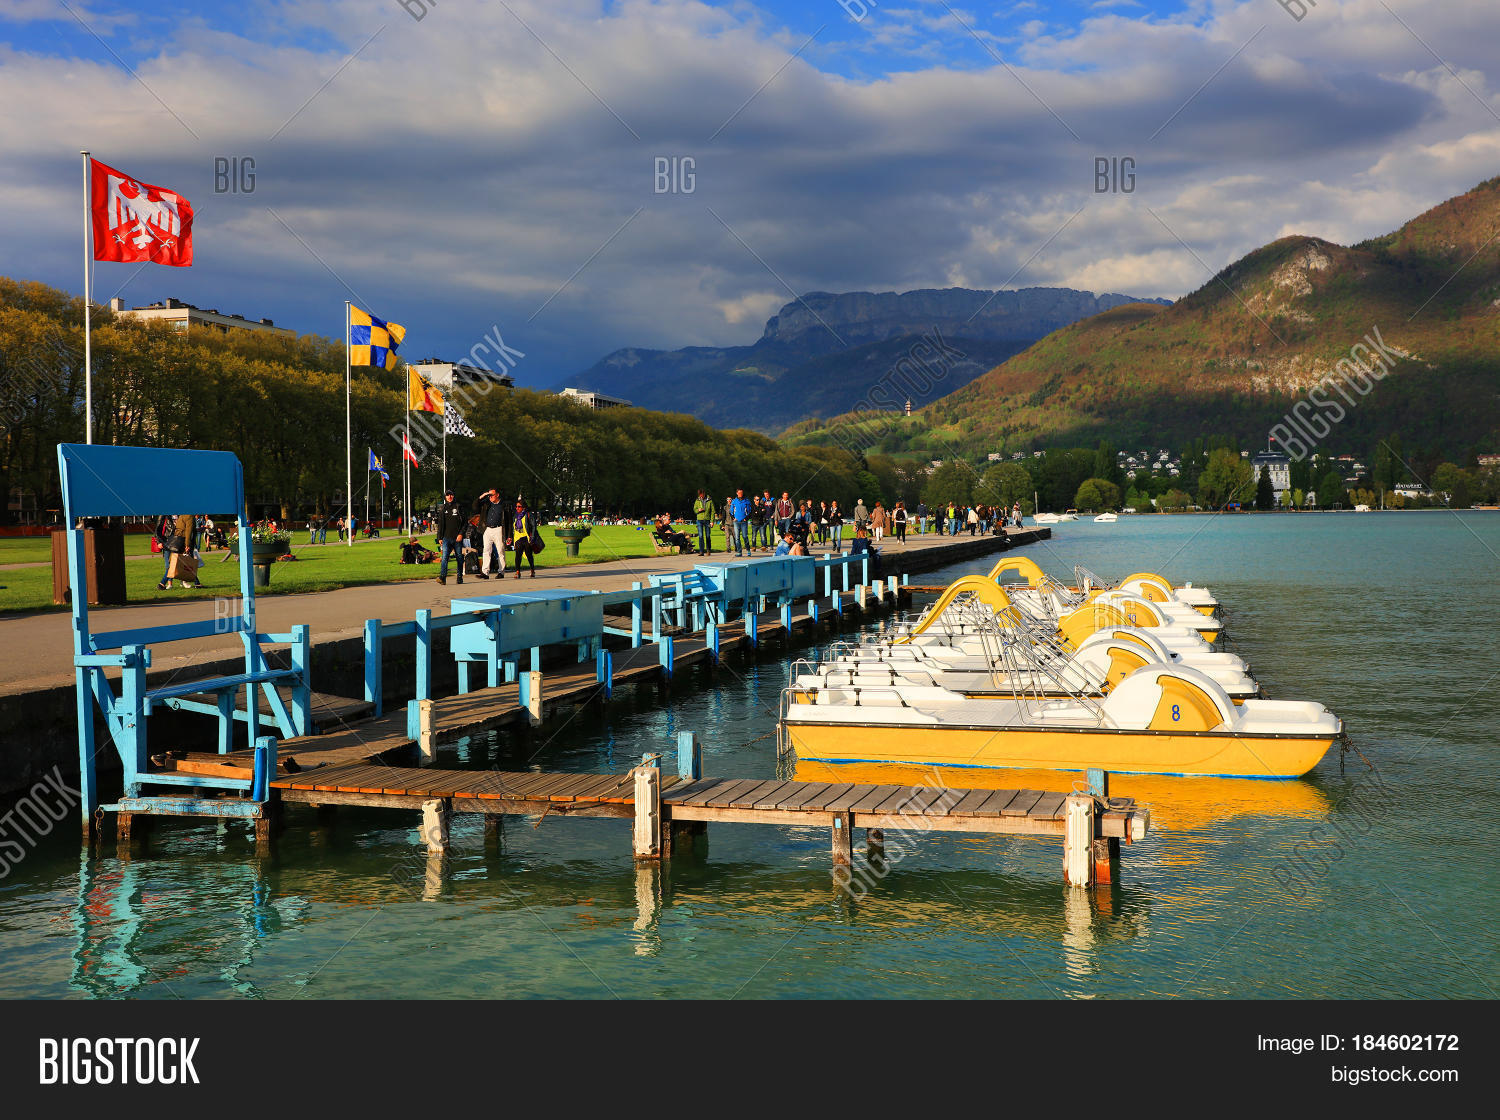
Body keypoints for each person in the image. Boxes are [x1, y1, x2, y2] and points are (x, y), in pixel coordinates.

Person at [472, 487, 511, 579]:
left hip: (499, 529)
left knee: (500, 551)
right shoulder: (486, 504)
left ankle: (501, 572)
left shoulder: (504, 505)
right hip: (487, 529)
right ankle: (485, 572)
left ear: (497, 495)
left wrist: (509, 535)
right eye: (489, 495)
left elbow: (509, 521)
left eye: (492, 495)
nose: (490, 497)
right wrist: (482, 496)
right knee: (486, 551)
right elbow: (474, 506)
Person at [434, 488, 467, 586]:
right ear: (445, 497)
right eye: (447, 495)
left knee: (459, 557)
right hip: (446, 538)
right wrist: (439, 537)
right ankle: (442, 577)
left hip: (457, 538)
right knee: (444, 558)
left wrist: (461, 534)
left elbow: (465, 522)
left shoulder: (458, 507)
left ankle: (459, 576)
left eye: (451, 495)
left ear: (453, 496)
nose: (449, 497)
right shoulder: (443, 509)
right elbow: (441, 524)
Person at [512, 497, 540, 577]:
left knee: (529, 554)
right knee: (518, 555)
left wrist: (533, 537)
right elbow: (513, 526)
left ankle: (532, 570)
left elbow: (534, 526)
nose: (517, 508)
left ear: (523, 507)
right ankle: (517, 571)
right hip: (518, 537)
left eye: (519, 506)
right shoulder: (515, 515)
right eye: (516, 506)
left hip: (527, 537)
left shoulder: (528, 515)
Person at [729, 488, 752, 557]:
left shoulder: (747, 501)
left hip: (744, 522)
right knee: (737, 538)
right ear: (737, 493)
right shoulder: (734, 501)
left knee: (745, 536)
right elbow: (731, 511)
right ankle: (739, 552)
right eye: (739, 493)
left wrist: (746, 518)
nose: (740, 494)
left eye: (741, 493)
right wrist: (733, 518)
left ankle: (748, 550)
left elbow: (750, 511)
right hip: (736, 522)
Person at [693, 489, 714, 555]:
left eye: (702, 495)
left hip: (707, 520)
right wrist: (698, 510)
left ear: (704, 493)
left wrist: (712, 521)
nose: (701, 496)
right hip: (699, 520)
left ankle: (708, 550)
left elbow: (713, 511)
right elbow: (694, 510)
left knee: (708, 536)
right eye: (700, 495)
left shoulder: (709, 500)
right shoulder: (697, 500)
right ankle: (701, 551)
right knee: (701, 536)